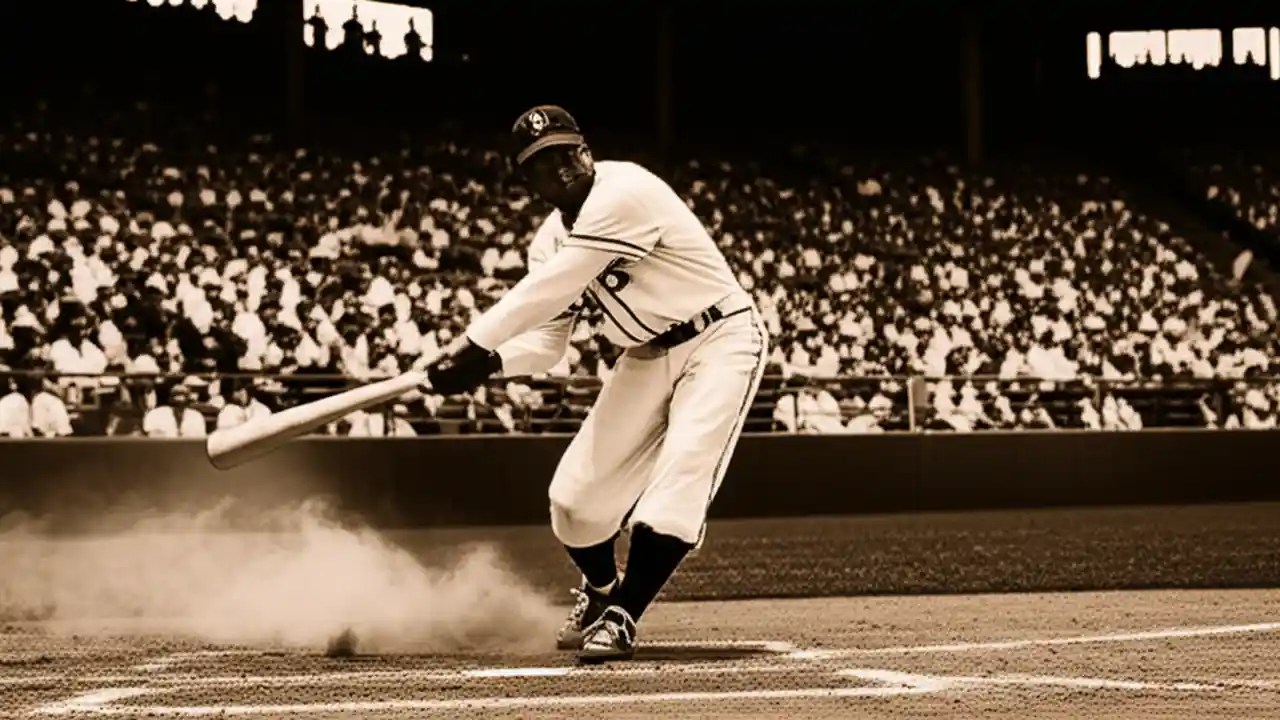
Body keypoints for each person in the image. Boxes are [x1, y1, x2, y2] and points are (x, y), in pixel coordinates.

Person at [425, 106, 769, 663]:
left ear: (587, 150)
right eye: (543, 162)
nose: (561, 167)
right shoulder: (547, 243)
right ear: (527, 181)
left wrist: (472, 345)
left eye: (568, 152)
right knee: (573, 503)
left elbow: (556, 284)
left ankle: (623, 615)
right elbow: (546, 342)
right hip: (644, 352)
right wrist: (482, 367)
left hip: (719, 337)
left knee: (679, 477)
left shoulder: (625, 190)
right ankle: (602, 592)